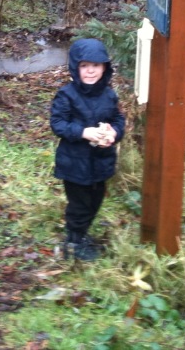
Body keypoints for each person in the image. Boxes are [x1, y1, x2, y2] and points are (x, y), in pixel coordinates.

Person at [50, 38, 126, 261]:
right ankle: (73, 242)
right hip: (75, 163)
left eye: (96, 65)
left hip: (101, 161)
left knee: (95, 201)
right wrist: (84, 132)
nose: (91, 71)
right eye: (84, 66)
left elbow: (118, 120)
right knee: (80, 204)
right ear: (76, 68)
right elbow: (58, 124)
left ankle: (82, 235)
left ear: (105, 68)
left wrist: (113, 133)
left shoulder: (109, 95)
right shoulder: (67, 95)